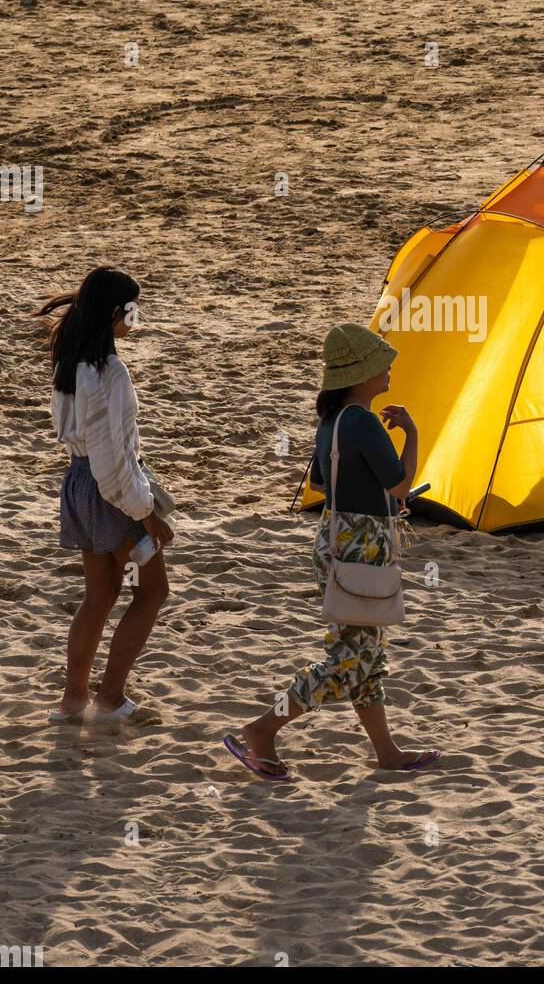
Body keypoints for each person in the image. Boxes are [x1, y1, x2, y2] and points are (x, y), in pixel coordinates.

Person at [224, 322, 439, 779]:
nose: (389, 373)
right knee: (348, 660)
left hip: (334, 536)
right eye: (383, 366)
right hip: (363, 543)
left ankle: (387, 752)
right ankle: (263, 729)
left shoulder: (333, 420)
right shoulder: (360, 419)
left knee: (364, 653)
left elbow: (320, 483)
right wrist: (412, 434)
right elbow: (400, 486)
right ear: (362, 374)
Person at [37, 267, 174, 722]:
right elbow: (112, 459)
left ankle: (73, 701)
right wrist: (147, 512)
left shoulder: (68, 360)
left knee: (99, 596)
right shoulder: (110, 371)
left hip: (76, 484)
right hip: (107, 491)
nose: (135, 318)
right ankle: (110, 697)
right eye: (131, 309)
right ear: (115, 311)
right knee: (153, 592)